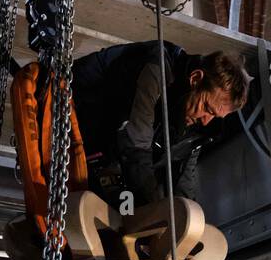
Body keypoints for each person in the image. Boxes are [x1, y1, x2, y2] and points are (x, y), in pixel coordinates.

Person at [71, 41, 250, 209]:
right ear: (195, 79)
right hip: (67, 110)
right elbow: (135, 142)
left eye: (216, 116)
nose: (206, 120)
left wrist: (187, 223)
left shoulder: (195, 118)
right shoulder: (157, 67)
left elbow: (184, 176)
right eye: (207, 109)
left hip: (97, 147)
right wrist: (154, 209)